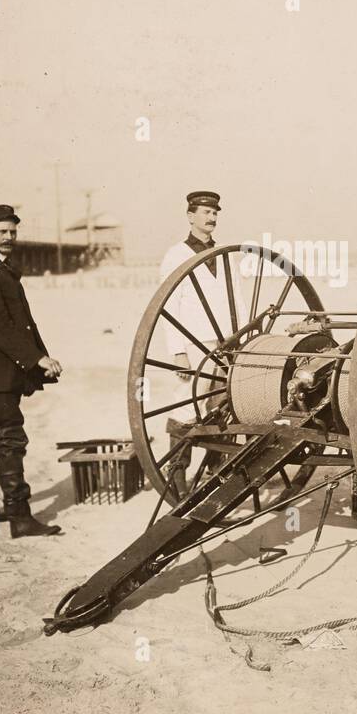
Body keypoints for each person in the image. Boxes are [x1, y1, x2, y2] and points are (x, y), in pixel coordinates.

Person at [0, 204, 63, 538]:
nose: (8, 238)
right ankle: (20, 516)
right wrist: (36, 360)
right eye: (2, 231)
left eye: (13, 232)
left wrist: (39, 358)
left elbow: (22, 325)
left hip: (0, 372)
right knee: (10, 439)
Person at [157, 191, 231, 494]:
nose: (211, 218)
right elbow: (169, 308)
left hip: (224, 344)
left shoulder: (224, 254)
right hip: (193, 342)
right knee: (189, 406)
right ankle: (176, 477)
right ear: (190, 216)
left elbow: (234, 300)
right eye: (204, 213)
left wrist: (237, 344)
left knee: (222, 405)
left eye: (215, 213)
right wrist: (178, 353)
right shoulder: (176, 255)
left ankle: (217, 473)